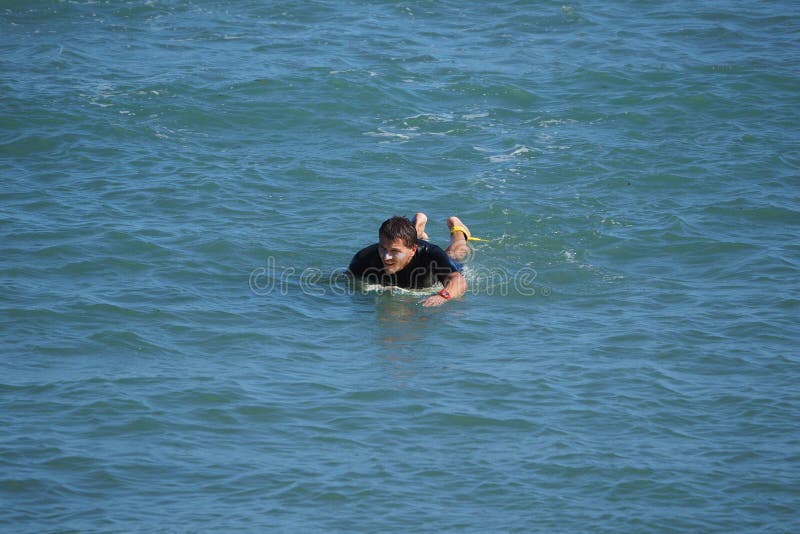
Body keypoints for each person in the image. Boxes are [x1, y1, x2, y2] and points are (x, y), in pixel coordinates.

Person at [348, 213, 473, 307]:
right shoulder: (363, 259)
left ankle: (458, 229)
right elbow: (346, 280)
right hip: (407, 245)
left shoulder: (431, 255)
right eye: (383, 248)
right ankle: (417, 226)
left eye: (394, 251)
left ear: (413, 250)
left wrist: (443, 296)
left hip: (434, 272)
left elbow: (459, 281)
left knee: (456, 252)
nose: (386, 257)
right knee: (405, 241)